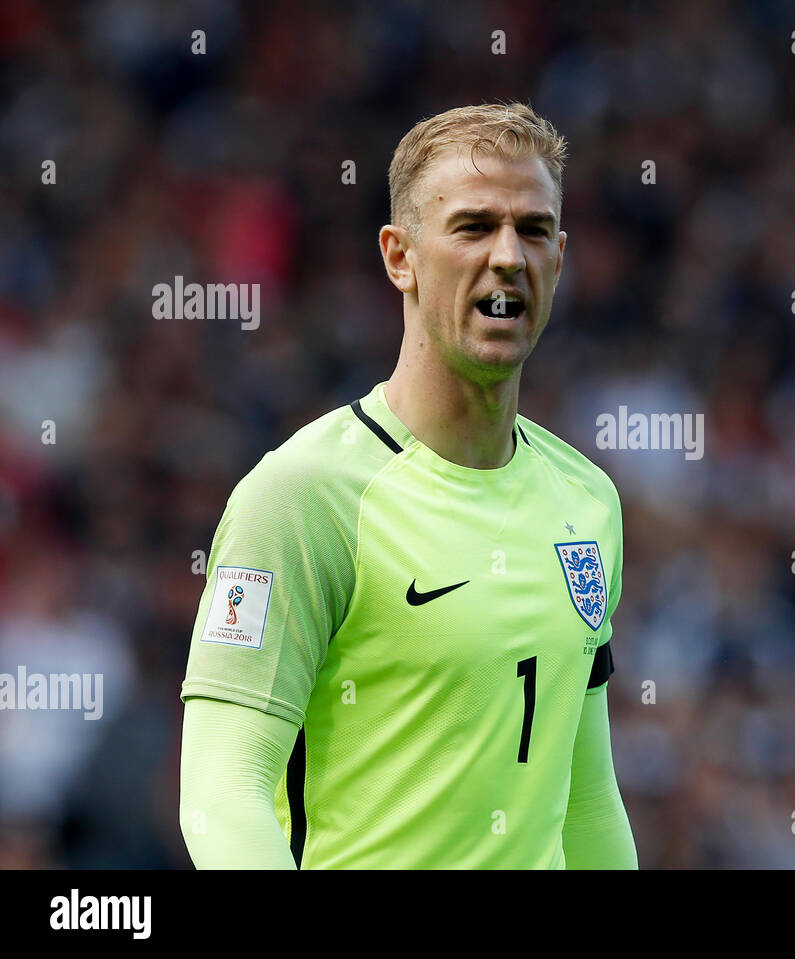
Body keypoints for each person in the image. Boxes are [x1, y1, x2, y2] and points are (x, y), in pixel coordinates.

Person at [178, 102, 636, 869]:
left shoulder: (587, 501)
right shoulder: (303, 495)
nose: (507, 257)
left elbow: (587, 800)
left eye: (531, 230)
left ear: (558, 256)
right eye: (472, 226)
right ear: (400, 256)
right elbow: (222, 792)